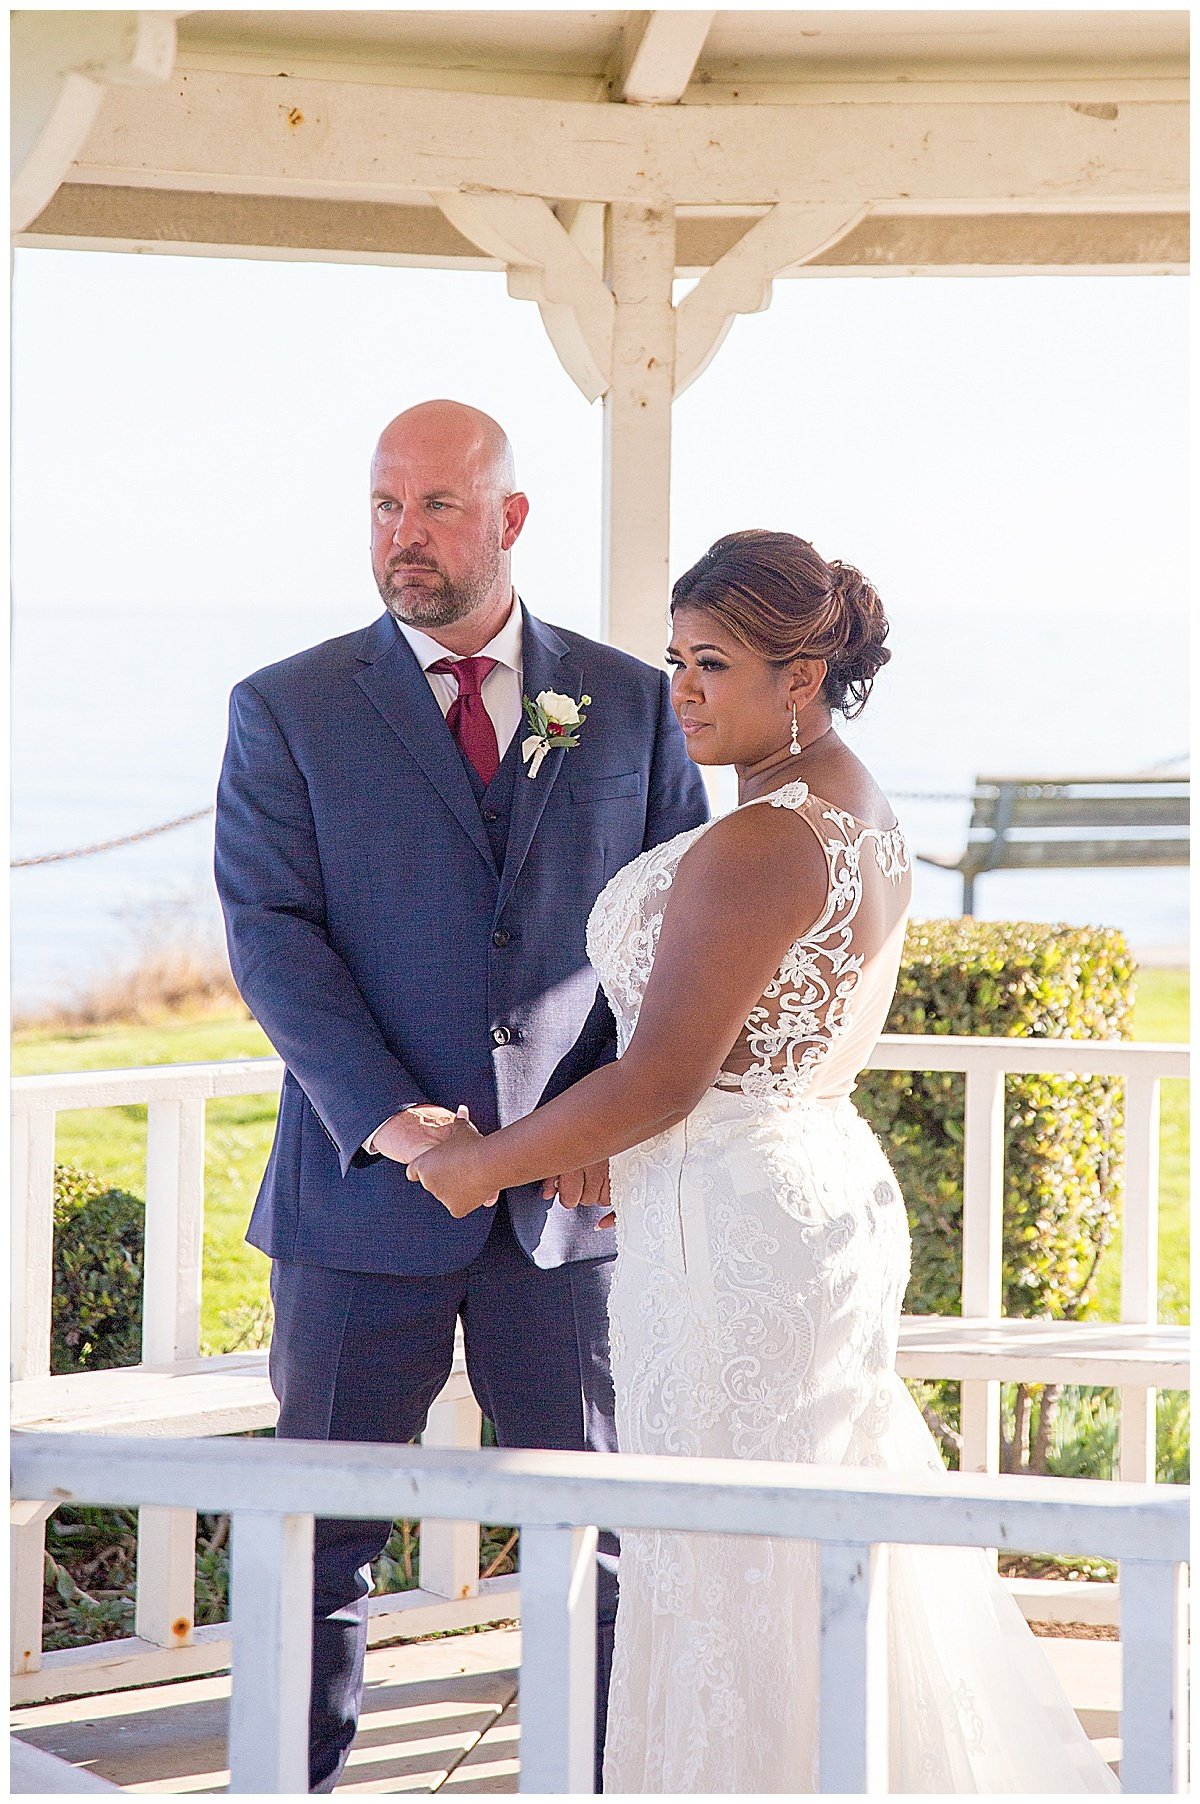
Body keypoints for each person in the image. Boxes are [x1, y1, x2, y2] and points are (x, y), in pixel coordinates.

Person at [410, 528, 1120, 1793]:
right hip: (803, 1183)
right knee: (803, 1537)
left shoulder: (759, 841)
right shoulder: (859, 808)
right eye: (676, 659)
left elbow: (667, 1076)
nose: (681, 689)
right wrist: (611, 1143)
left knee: (724, 1555)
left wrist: (488, 1163)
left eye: (715, 664)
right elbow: (730, 1059)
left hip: (731, 1239)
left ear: (801, 679)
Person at [213, 399, 709, 1792]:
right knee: (318, 1539)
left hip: (570, 1208)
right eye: (383, 505)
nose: (402, 536)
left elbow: (673, 929)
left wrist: (614, 1119)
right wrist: (393, 1121)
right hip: (363, 1202)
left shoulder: (628, 700)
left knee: (595, 1538)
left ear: (511, 519)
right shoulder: (286, 707)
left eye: (435, 506)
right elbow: (272, 936)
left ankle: (599, 1784)